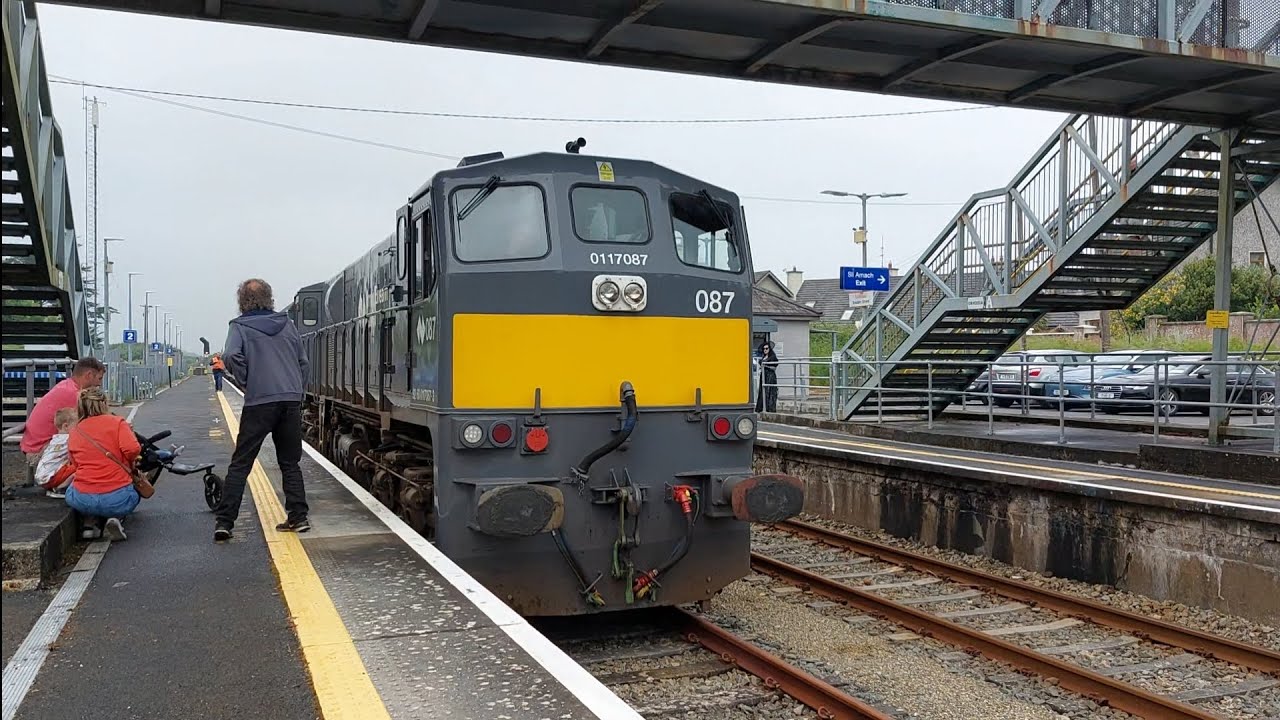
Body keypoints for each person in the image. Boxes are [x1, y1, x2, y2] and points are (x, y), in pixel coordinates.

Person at [214, 278, 310, 542]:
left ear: (242, 301)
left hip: (260, 402)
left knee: (241, 463)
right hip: (290, 400)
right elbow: (303, 362)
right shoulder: (287, 325)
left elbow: (231, 356)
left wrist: (247, 381)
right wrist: (297, 389)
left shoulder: (240, 327)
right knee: (290, 462)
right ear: (270, 298)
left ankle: (225, 522)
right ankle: (298, 517)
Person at [64, 387, 143, 542]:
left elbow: (74, 462)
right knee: (134, 492)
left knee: (74, 488)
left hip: (83, 499)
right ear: (104, 403)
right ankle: (115, 518)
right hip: (118, 497)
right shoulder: (117, 422)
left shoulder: (75, 430)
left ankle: (89, 524)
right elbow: (132, 449)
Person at [20, 357, 106, 470]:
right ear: (89, 375)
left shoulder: (67, 386)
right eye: (99, 379)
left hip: (36, 446)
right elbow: (94, 423)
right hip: (42, 452)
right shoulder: (75, 395)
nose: (99, 385)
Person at [35, 408, 78, 498]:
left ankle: (54, 487)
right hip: (51, 477)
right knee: (80, 468)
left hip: (43, 477)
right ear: (66, 426)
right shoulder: (68, 439)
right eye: (77, 426)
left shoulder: (55, 440)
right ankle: (60, 488)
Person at [756, 341, 779, 414]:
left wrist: (766, 366)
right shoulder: (764, 357)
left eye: (766, 348)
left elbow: (774, 367)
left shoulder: (773, 357)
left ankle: (770, 408)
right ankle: (761, 407)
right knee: (762, 391)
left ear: (769, 349)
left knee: (769, 391)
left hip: (770, 376)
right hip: (763, 375)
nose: (765, 350)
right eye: (764, 349)